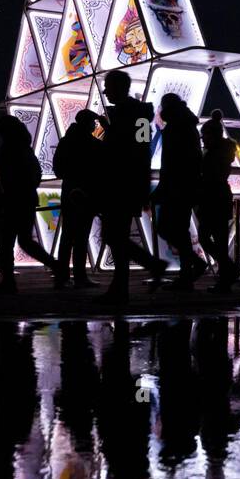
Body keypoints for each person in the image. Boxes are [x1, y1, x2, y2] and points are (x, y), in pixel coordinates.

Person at [94, 69, 167, 305]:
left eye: (108, 87)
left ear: (118, 88)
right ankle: (121, 287)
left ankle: (149, 268)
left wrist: (110, 132)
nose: (105, 91)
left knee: (114, 235)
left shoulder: (134, 115)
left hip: (123, 183)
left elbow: (137, 150)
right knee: (115, 235)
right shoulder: (135, 114)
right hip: (125, 182)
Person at [0, 114, 58, 293]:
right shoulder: (24, 148)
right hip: (26, 199)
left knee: (7, 242)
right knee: (24, 241)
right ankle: (56, 267)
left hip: (14, 200)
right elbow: (36, 174)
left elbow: (7, 177)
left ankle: (9, 282)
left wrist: (4, 195)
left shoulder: (9, 149)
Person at [153, 92, 207, 289]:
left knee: (167, 227)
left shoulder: (176, 128)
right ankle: (190, 269)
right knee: (178, 229)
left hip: (177, 186)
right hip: (186, 185)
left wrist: (163, 186)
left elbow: (171, 162)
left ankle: (191, 269)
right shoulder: (187, 126)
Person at [51, 108, 101, 288]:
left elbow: (57, 168)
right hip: (86, 194)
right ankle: (80, 275)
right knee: (81, 236)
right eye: (93, 122)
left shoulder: (66, 141)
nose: (95, 125)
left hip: (69, 192)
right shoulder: (93, 144)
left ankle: (62, 276)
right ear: (87, 123)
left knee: (68, 236)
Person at [197, 109, 239, 292]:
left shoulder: (214, 155)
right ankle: (228, 273)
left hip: (212, 197)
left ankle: (228, 272)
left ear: (212, 135)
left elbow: (208, 176)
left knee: (207, 238)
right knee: (217, 238)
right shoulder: (224, 151)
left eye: (204, 136)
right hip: (221, 196)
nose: (203, 139)